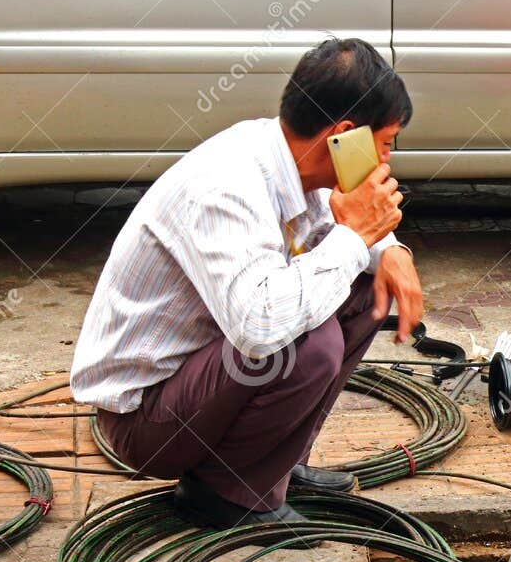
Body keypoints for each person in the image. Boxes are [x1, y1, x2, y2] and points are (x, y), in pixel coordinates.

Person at [71, 38, 425, 530]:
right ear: (343, 136)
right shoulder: (228, 186)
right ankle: (223, 495)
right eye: (384, 143)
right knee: (311, 340)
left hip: (200, 379)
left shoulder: (292, 160)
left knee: (366, 290)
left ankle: (274, 464)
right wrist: (355, 236)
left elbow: (343, 242)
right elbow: (259, 327)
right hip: (146, 420)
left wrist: (392, 251)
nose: (386, 161)